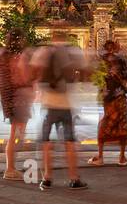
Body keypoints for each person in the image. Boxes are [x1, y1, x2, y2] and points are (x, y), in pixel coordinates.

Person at [31, 31, 87, 190]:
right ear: (65, 39)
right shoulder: (72, 52)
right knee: (69, 141)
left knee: (46, 142)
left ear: (53, 39)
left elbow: (33, 72)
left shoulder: (43, 52)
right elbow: (84, 70)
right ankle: (74, 178)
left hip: (49, 104)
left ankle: (47, 178)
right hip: (66, 104)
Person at [0, 30, 33, 180]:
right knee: (17, 135)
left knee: (16, 133)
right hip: (19, 99)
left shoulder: (1, 59)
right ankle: (10, 168)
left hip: (8, 99)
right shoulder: (19, 57)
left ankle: (11, 164)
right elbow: (25, 78)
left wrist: (6, 87)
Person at [91, 50, 127, 166]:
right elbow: (124, 88)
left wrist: (103, 95)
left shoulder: (111, 75)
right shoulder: (122, 74)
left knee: (104, 127)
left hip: (113, 103)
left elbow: (108, 92)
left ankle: (100, 157)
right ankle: (122, 157)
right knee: (122, 127)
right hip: (121, 102)